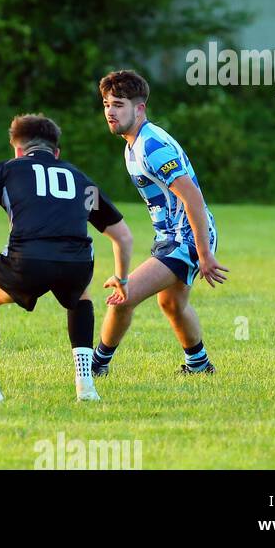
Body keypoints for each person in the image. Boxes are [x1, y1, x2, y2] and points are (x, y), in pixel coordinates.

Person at [0, 114, 132, 402]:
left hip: (27, 261)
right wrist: (121, 278)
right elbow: (122, 235)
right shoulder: (79, 178)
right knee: (80, 293)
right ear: (56, 153)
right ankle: (85, 384)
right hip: (77, 263)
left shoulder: (5, 171)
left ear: (18, 150)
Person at [92, 70, 229, 376]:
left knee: (121, 299)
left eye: (119, 105)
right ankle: (200, 365)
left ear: (139, 109)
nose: (110, 112)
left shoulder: (150, 147)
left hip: (187, 239)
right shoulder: (134, 143)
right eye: (106, 104)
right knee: (171, 304)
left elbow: (192, 197)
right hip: (173, 236)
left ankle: (95, 366)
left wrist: (204, 254)